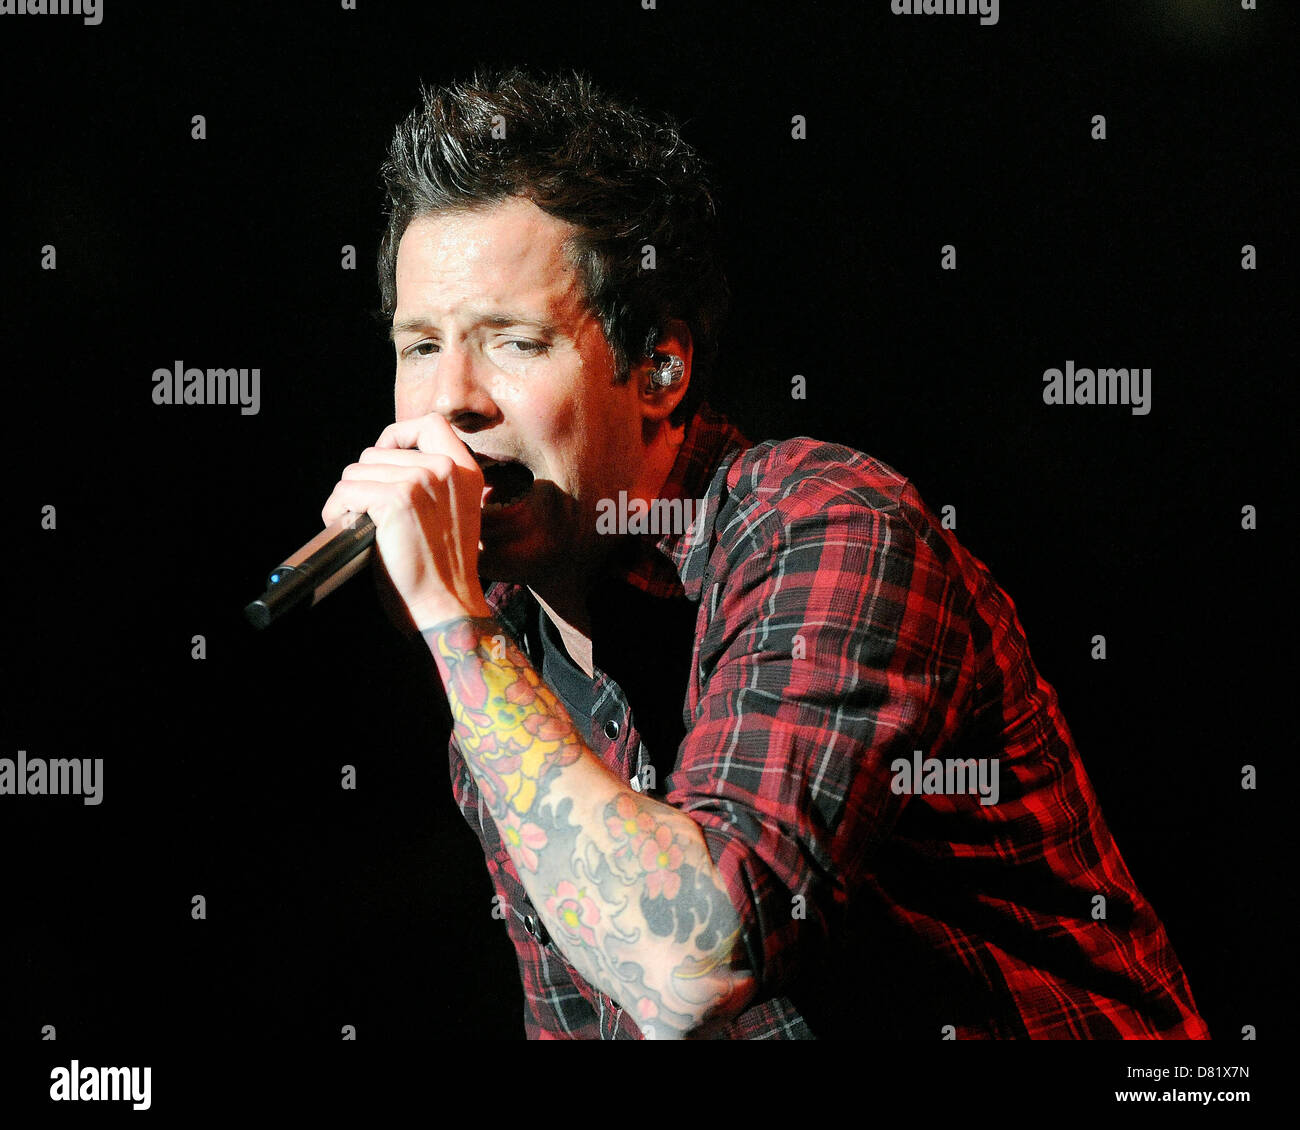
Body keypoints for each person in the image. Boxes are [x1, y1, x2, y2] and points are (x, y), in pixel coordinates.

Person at [321, 69, 1209, 1040]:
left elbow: (694, 965)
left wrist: (454, 626)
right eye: (418, 347)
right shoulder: (506, 687)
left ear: (658, 368)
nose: (450, 399)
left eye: (514, 342)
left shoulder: (826, 520)